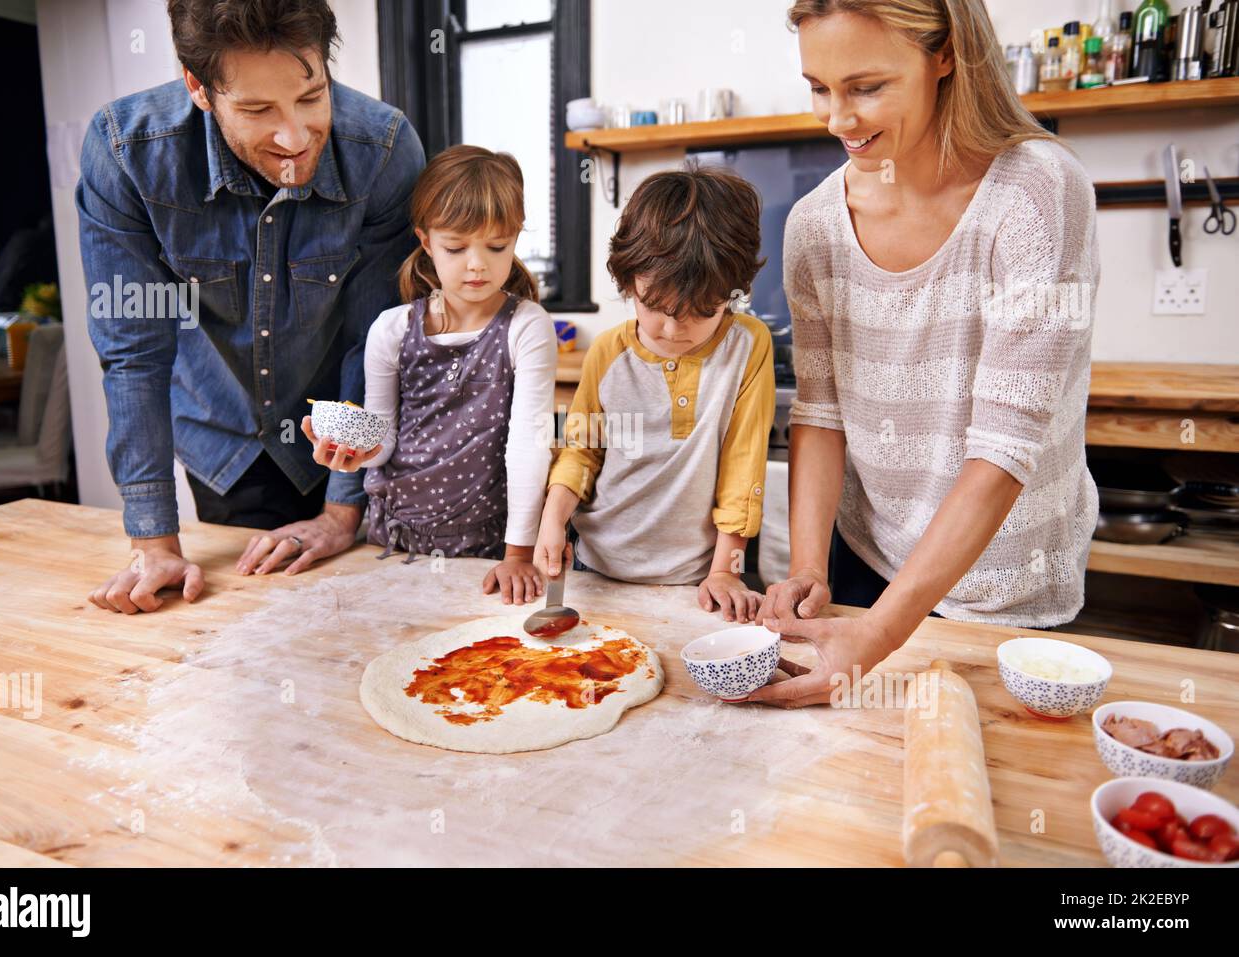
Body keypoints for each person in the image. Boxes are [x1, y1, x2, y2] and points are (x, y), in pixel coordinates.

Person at [751, 0, 1099, 706]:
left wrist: (880, 636)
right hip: (865, 559)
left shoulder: (1036, 192)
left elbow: (1004, 447)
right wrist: (809, 565)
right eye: (819, 87)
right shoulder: (816, 225)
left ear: (945, 56)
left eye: (866, 86)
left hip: (1004, 578)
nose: (837, 119)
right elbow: (819, 410)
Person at [78, 0, 423, 613]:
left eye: (312, 97)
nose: (293, 136)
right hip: (225, 438)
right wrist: (154, 542)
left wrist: (342, 512)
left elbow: (370, 343)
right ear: (199, 88)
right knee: (251, 627)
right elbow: (135, 354)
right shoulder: (127, 152)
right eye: (258, 110)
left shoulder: (384, 148)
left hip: (340, 429)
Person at [303, 146, 558, 605]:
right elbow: (384, 445)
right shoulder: (392, 329)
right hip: (397, 540)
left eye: (496, 246)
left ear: (516, 237)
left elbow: (529, 444)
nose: (477, 263)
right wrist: (354, 454)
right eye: (456, 247)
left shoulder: (528, 326)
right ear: (425, 241)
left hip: (492, 546)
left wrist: (519, 553)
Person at [534, 166, 777, 622]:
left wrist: (727, 571)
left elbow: (744, 464)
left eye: (700, 312)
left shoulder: (748, 346)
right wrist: (552, 519)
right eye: (653, 307)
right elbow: (581, 452)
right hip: (594, 568)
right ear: (628, 283)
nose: (671, 329)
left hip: (696, 579)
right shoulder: (607, 352)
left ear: (732, 292)